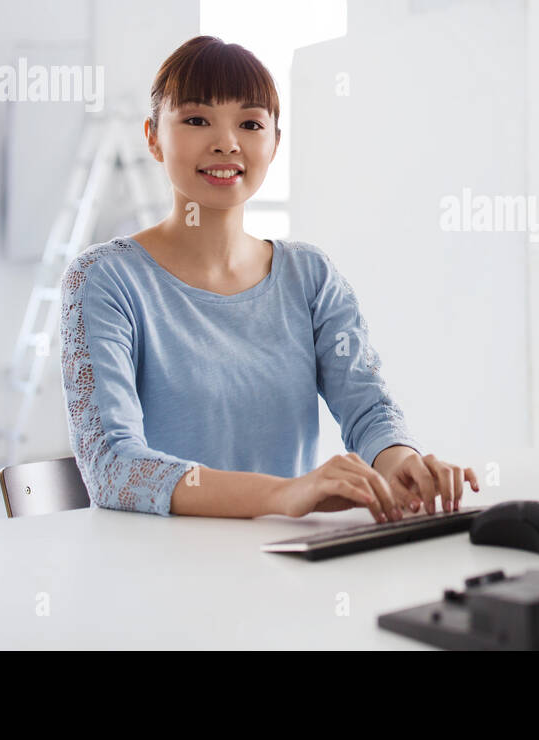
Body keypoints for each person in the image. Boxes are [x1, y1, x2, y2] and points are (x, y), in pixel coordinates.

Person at [60, 35, 478, 523]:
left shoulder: (310, 276)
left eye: (251, 124)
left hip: (284, 563)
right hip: (159, 571)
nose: (226, 143)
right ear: (153, 136)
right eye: (197, 120)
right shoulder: (105, 279)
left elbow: (369, 410)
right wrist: (285, 495)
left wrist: (403, 464)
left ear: (275, 142)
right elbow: (113, 466)